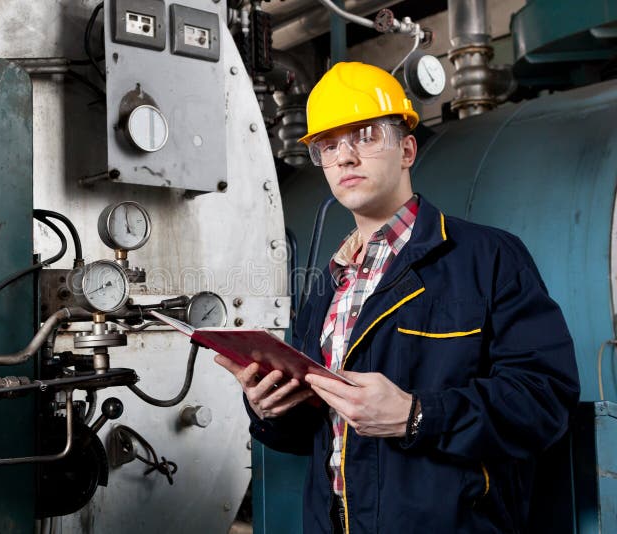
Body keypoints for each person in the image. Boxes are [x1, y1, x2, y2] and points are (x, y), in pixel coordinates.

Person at [215, 62, 580, 534]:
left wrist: (417, 416)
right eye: (328, 146)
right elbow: (314, 436)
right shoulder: (329, 283)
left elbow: (544, 400)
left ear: (407, 149)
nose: (345, 158)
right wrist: (268, 409)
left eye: (365, 136)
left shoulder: (487, 258)